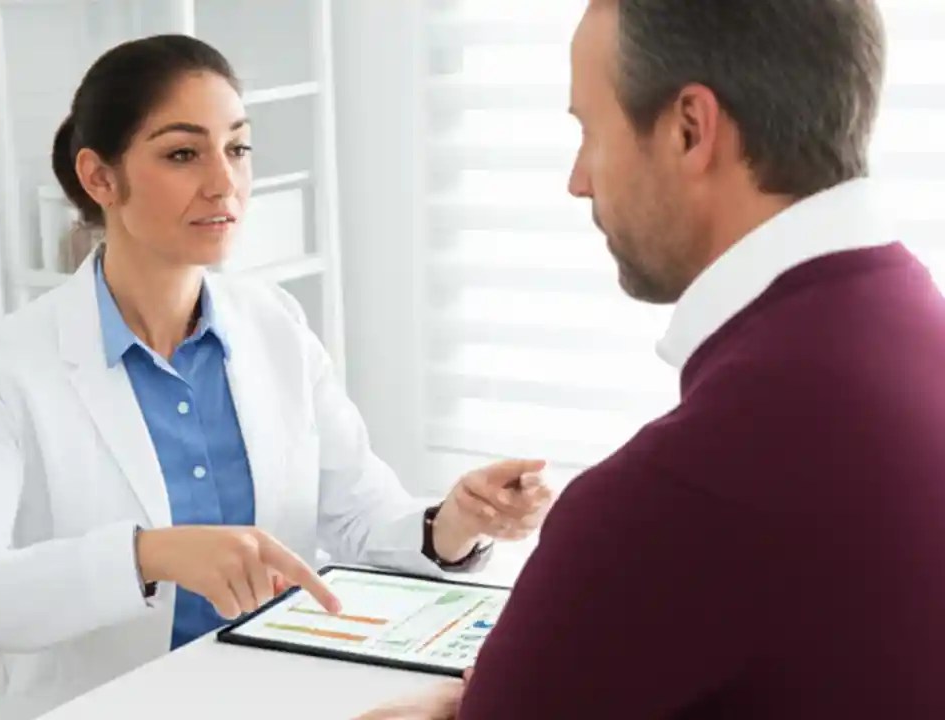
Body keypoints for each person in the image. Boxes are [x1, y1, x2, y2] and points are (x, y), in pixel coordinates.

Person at [0, 35, 552, 720]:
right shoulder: (7, 364)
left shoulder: (273, 323)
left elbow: (358, 514)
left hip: (272, 697)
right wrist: (147, 555)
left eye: (237, 148)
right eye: (183, 153)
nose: (224, 182)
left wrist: (454, 521)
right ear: (100, 178)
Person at [362, 0, 945, 718]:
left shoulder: (671, 501)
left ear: (689, 129)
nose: (579, 179)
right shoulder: (915, 333)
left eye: (589, 131)